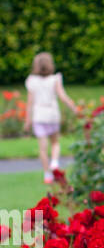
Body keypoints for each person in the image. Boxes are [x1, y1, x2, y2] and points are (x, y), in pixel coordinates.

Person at [24, 52, 81, 184]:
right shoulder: (55, 79)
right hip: (52, 115)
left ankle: (47, 175)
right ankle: (55, 162)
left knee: (43, 149)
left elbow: (30, 103)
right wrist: (74, 108)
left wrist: (27, 121)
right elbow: (62, 96)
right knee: (55, 142)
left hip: (39, 116)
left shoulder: (31, 81)